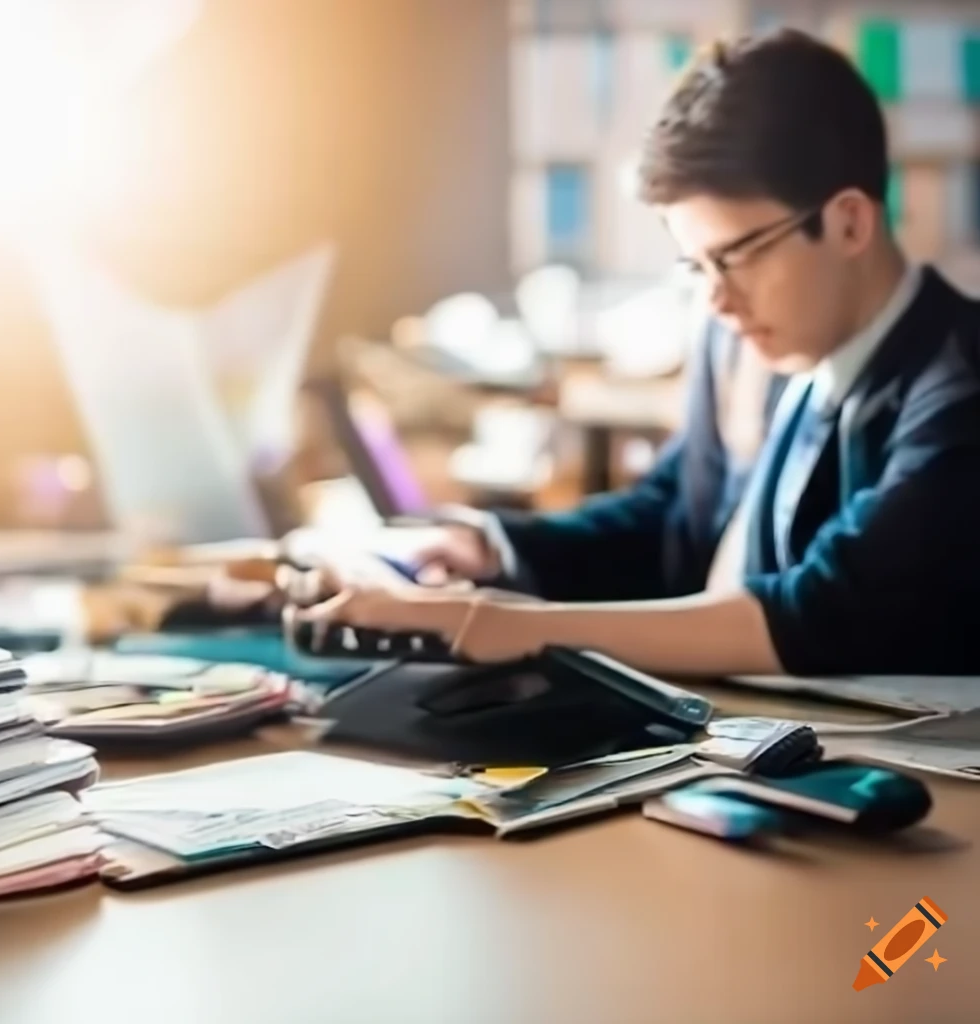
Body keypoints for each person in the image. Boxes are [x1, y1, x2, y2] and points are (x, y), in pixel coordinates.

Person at [290, 29, 980, 678]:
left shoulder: (959, 383)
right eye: (697, 267)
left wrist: (505, 626)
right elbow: (676, 519)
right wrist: (492, 546)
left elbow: (825, 611)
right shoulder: (757, 341)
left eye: (735, 258)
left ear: (849, 221)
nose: (717, 300)